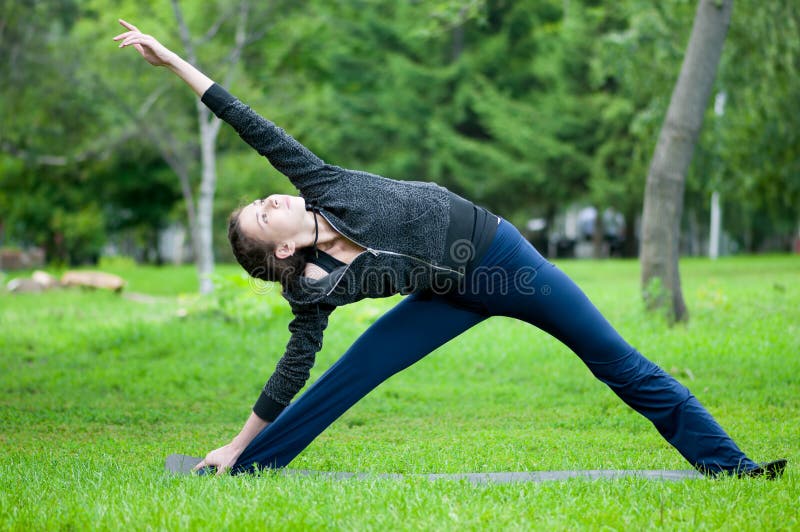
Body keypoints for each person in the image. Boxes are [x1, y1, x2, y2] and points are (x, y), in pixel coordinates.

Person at [114, 19, 785, 479]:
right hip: (445, 296)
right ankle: (242, 470)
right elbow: (291, 372)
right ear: (282, 246)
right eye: (266, 213)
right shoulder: (311, 287)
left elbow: (247, 122)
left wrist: (172, 61)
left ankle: (736, 468)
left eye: (267, 199)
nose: (276, 199)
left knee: (615, 360)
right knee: (348, 374)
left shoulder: (323, 185)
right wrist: (234, 443)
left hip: (504, 264)